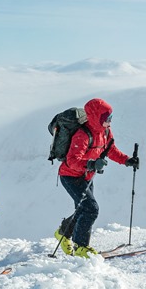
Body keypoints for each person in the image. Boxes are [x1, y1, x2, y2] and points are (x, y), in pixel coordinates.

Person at [55, 98, 138, 258]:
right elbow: (72, 161)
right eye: (106, 119)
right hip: (70, 176)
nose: (110, 122)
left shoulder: (105, 132)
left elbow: (110, 150)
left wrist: (127, 160)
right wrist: (92, 164)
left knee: (83, 209)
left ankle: (63, 233)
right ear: (95, 118)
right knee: (91, 209)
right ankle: (81, 247)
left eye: (110, 118)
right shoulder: (82, 135)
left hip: (86, 176)